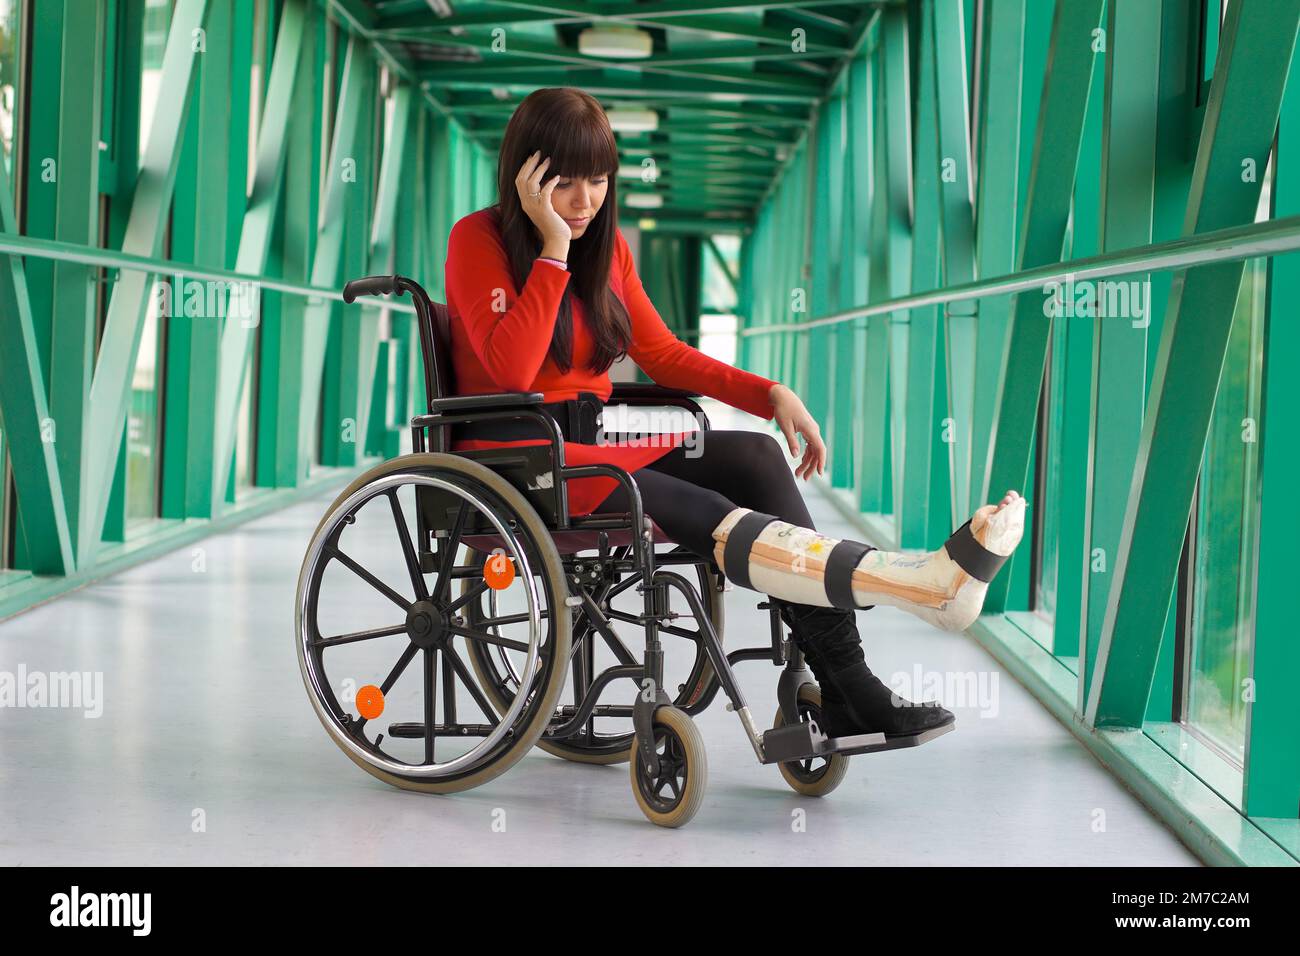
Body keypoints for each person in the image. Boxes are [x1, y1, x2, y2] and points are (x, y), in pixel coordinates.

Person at [444, 87, 1025, 739]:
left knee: (755, 456)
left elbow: (662, 355)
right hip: (514, 463)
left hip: (593, 449)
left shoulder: (608, 255)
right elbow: (511, 370)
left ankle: (845, 686)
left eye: (599, 182)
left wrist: (768, 394)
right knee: (706, 512)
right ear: (526, 176)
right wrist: (552, 250)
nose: (584, 203)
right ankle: (915, 589)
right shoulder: (478, 240)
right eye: (566, 185)